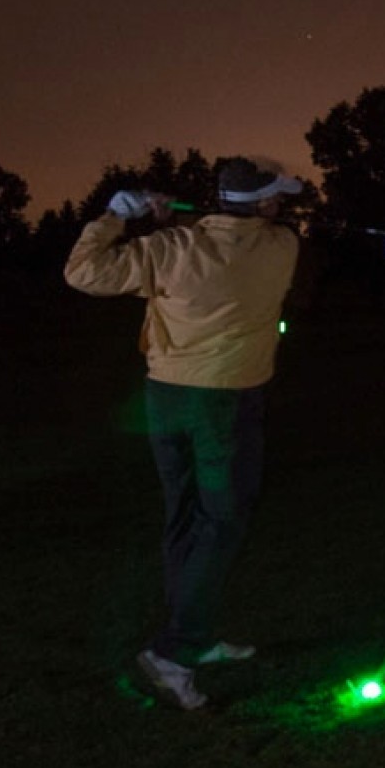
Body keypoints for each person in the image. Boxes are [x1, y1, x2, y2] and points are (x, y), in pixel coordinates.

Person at [64, 158, 302, 710]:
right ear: (263, 205)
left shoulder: (172, 246)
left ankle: (193, 635)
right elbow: (229, 241)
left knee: (185, 516)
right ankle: (173, 652)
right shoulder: (281, 247)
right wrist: (167, 226)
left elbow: (83, 272)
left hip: (166, 396)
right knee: (221, 521)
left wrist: (121, 216)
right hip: (226, 401)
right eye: (277, 198)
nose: (282, 206)